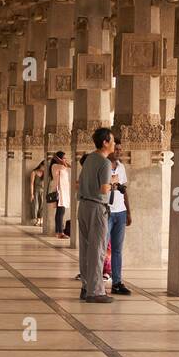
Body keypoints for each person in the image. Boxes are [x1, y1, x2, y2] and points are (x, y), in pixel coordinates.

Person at [77, 128, 116, 303]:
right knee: (98, 250)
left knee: (86, 250)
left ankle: (86, 287)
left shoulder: (89, 159)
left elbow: (78, 184)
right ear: (105, 142)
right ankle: (95, 291)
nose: (114, 144)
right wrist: (113, 183)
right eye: (112, 141)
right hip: (97, 208)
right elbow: (104, 189)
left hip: (83, 206)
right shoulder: (105, 163)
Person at [107, 141, 132, 296]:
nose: (118, 152)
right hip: (106, 212)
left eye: (120, 150)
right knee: (102, 248)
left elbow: (124, 191)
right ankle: (92, 281)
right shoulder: (103, 166)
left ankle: (117, 282)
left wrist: (128, 212)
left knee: (117, 250)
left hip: (120, 212)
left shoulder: (121, 167)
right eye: (116, 149)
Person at [50, 150, 71, 239]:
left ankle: (59, 231)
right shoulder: (56, 166)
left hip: (64, 192)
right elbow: (67, 165)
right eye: (64, 158)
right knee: (60, 212)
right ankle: (59, 232)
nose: (65, 160)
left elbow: (69, 165)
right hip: (60, 192)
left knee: (61, 212)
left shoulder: (61, 166)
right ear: (59, 159)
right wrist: (57, 158)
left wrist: (61, 160)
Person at [29, 159, 47, 226]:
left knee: (42, 206)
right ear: (41, 165)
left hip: (43, 192)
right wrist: (31, 194)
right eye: (44, 166)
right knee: (35, 205)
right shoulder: (34, 172)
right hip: (36, 191)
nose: (45, 168)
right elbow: (31, 184)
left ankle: (41, 220)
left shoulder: (45, 173)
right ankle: (37, 220)